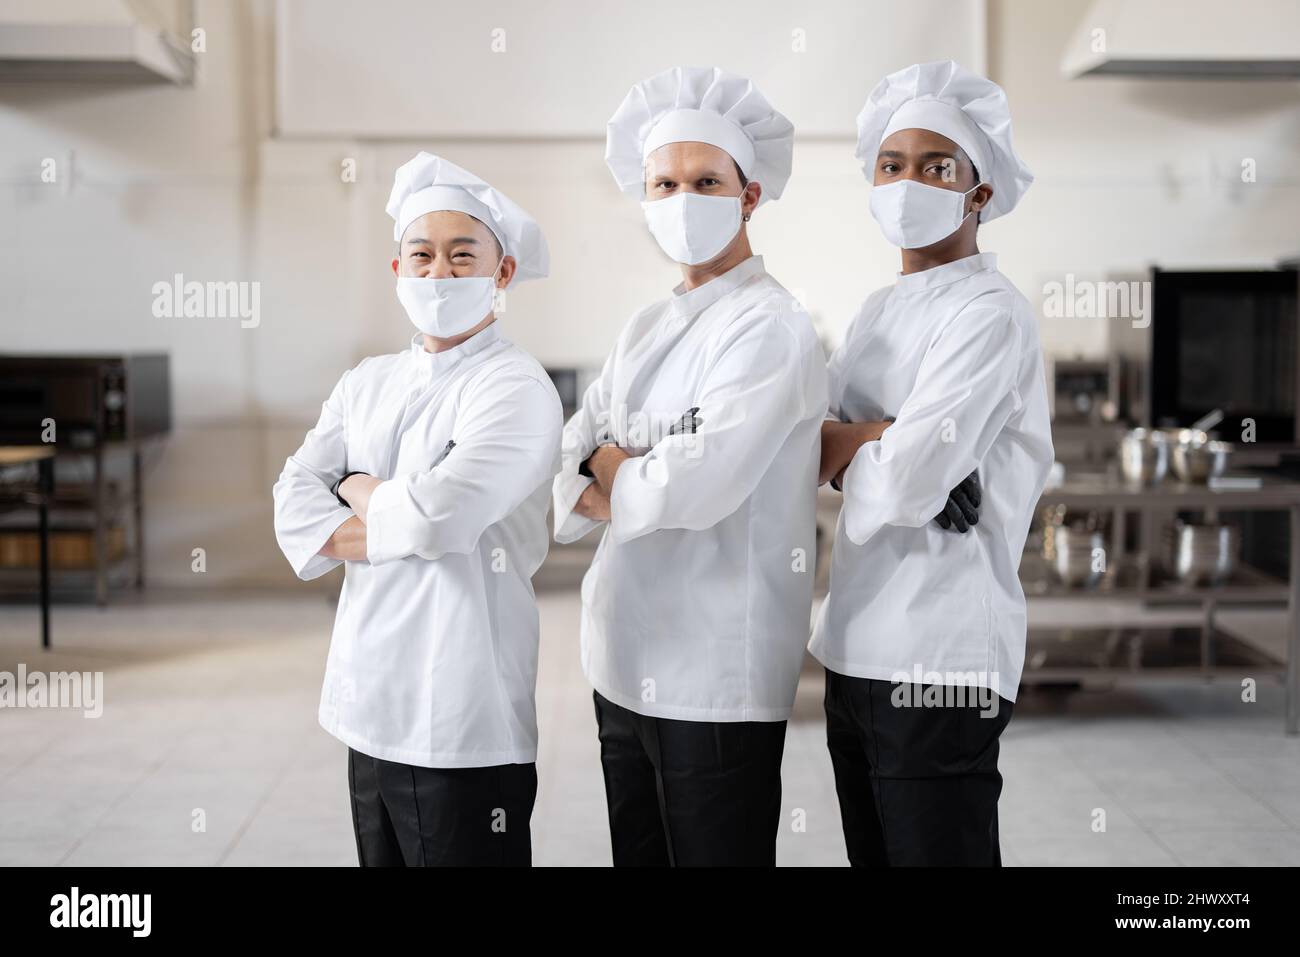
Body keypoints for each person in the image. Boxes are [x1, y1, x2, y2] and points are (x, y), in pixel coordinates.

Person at [552, 66, 828, 866]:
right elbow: (565, 456)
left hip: (716, 673)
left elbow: (694, 484)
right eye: (664, 184)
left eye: (706, 181)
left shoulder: (770, 327)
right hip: (621, 657)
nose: (682, 199)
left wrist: (609, 464)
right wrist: (619, 467)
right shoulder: (643, 327)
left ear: (749, 195)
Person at [271, 152, 562, 866]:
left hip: (463, 714)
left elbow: (439, 518)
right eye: (422, 255)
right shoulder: (366, 382)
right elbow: (292, 499)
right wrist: (400, 514)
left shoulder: (515, 387)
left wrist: (356, 485)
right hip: (367, 704)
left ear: (501, 273)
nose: (439, 273)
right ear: (398, 269)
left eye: (462, 256)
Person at [811, 61, 1054, 866]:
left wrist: (864, 445)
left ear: (978, 192)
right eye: (892, 165)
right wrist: (882, 435)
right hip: (853, 646)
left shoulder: (991, 314)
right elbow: (804, 447)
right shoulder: (875, 312)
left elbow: (909, 481)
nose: (908, 182)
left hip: (942, 655)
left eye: (935, 166)